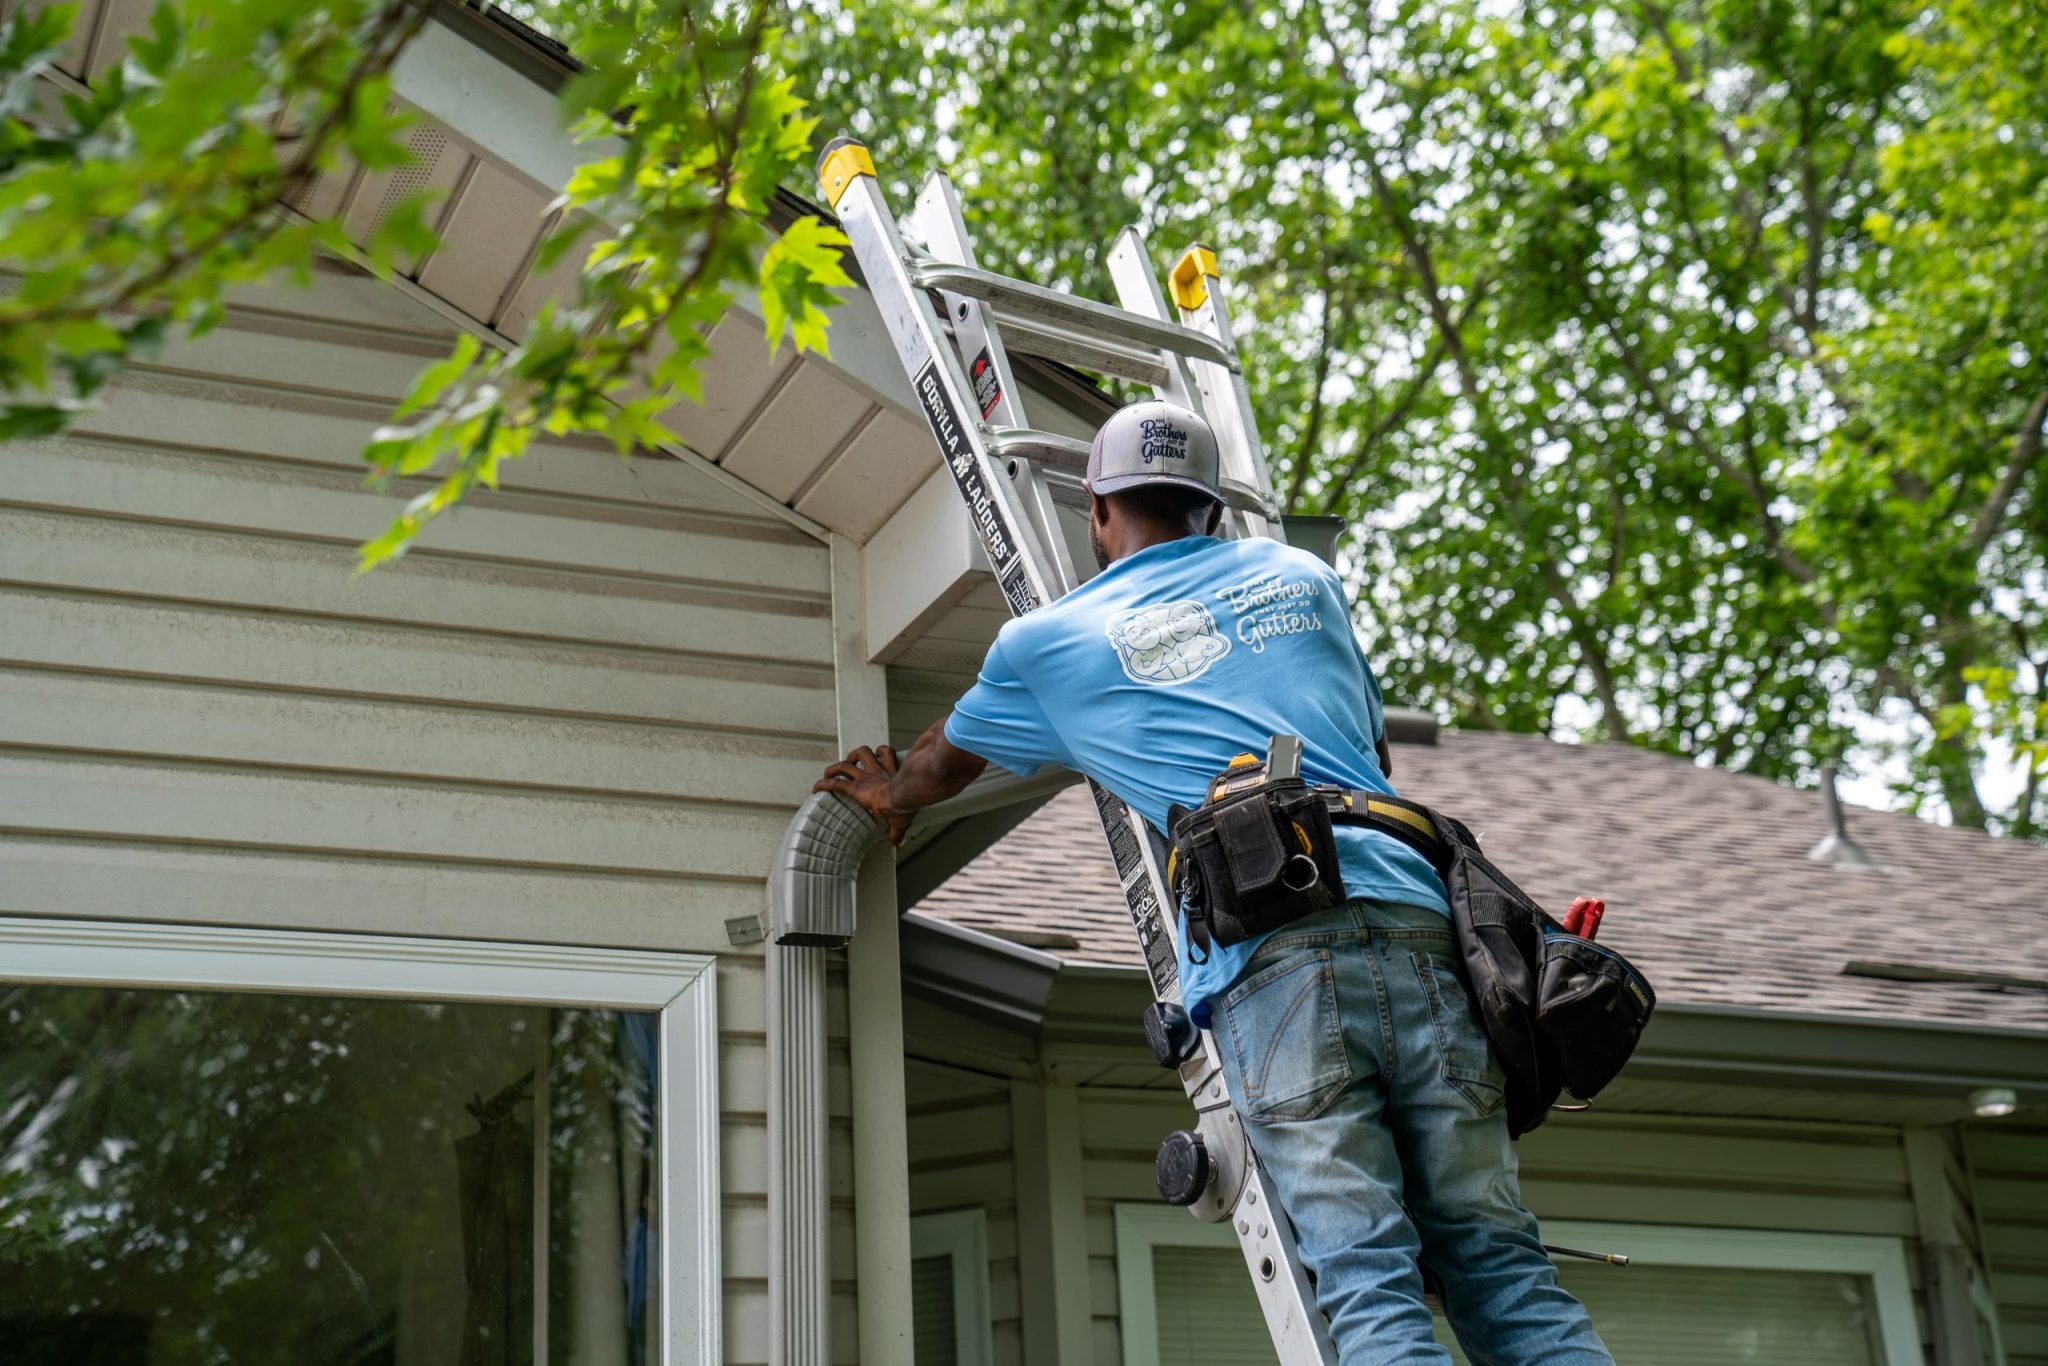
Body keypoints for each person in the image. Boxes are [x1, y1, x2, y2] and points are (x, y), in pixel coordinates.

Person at [813, 400, 1611, 1363]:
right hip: (1421, 922)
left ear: (1098, 512)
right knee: (1499, 1266)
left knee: (1366, 1277)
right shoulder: (1303, 577)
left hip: (1273, 958)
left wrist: (885, 791)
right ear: (1215, 514)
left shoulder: (1049, 644)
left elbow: (939, 765)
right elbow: (1371, 755)